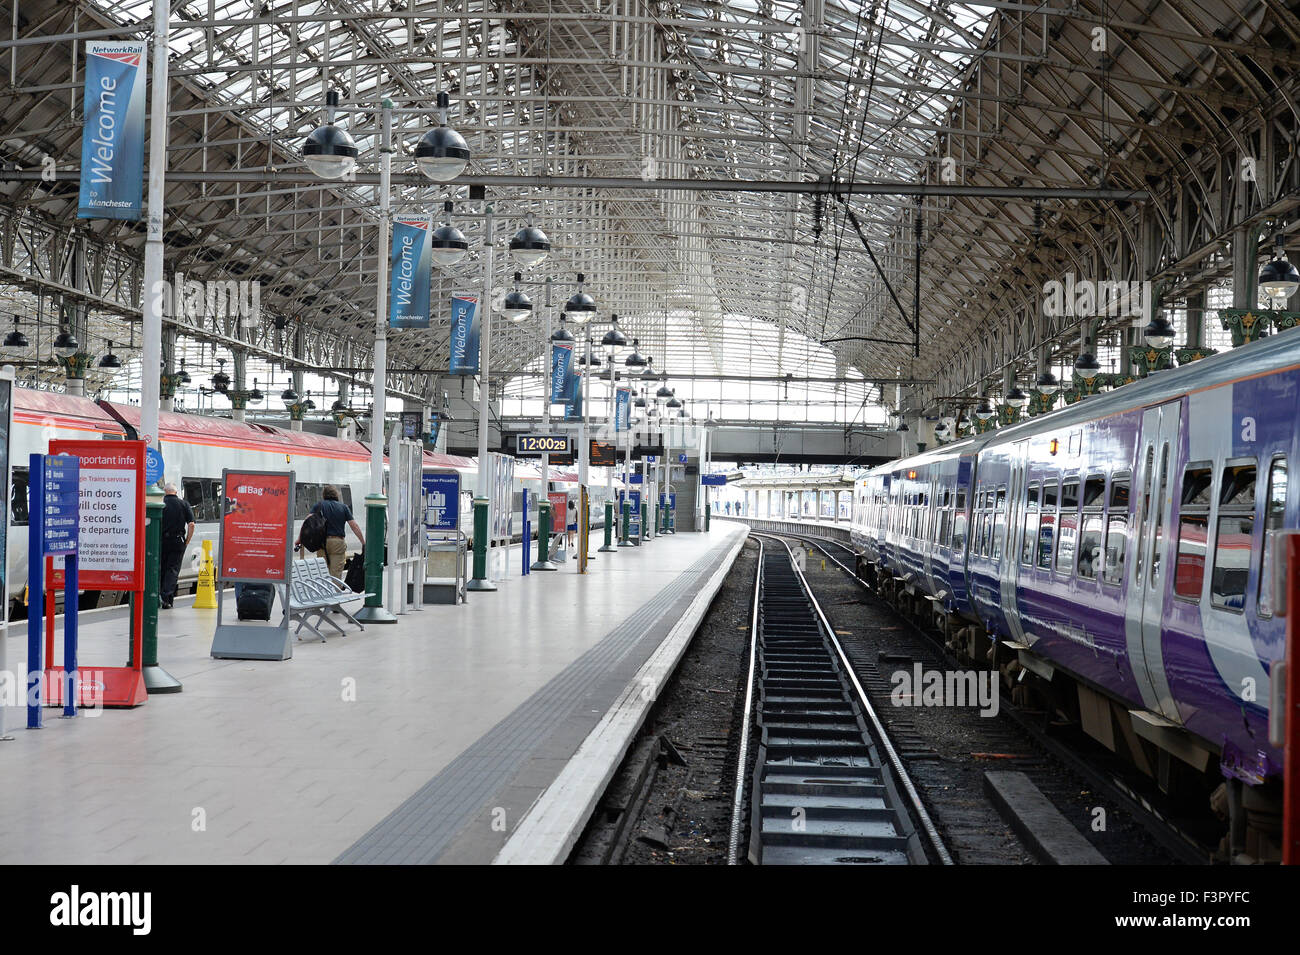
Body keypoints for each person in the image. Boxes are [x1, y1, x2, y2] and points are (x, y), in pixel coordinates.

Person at [300, 484, 364, 580]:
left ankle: (324, 593)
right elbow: (354, 526)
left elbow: (307, 521)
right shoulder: (343, 507)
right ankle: (334, 593)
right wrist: (363, 542)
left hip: (322, 543)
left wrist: (300, 539)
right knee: (335, 574)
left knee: (323, 573)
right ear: (336, 495)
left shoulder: (319, 505)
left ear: (324, 495)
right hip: (337, 543)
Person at [160, 484, 195, 609]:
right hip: (177, 540)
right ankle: (167, 598)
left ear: (165, 492)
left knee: (162, 568)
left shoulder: (161, 503)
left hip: (161, 541)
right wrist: (187, 541)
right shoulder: (184, 504)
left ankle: (159, 596)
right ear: (176, 492)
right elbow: (191, 524)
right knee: (173, 570)